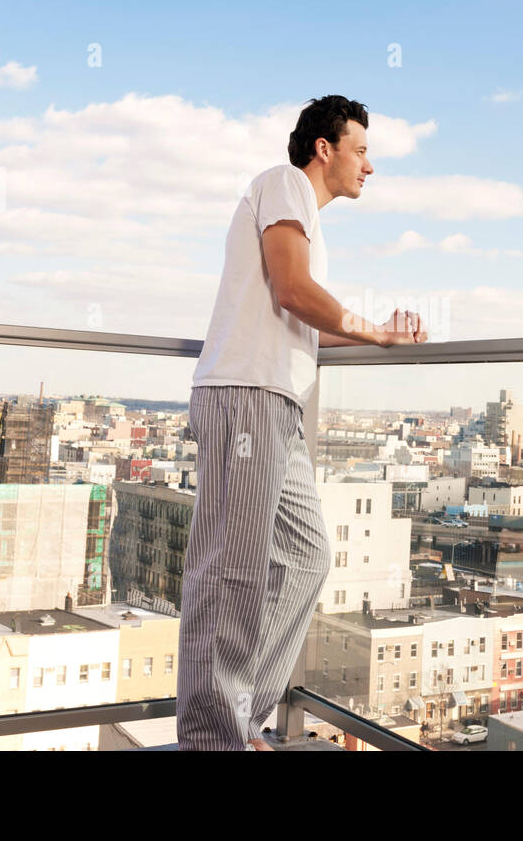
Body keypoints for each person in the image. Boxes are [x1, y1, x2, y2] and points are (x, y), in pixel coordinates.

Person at [175, 94, 429, 751]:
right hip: (244, 396)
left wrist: (382, 338)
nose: (368, 166)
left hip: (276, 404)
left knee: (307, 555)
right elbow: (292, 290)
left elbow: (302, 319)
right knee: (231, 575)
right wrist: (371, 326)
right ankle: (213, 740)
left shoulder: (309, 221)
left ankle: (238, 719)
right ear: (325, 147)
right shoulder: (283, 183)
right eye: (362, 149)